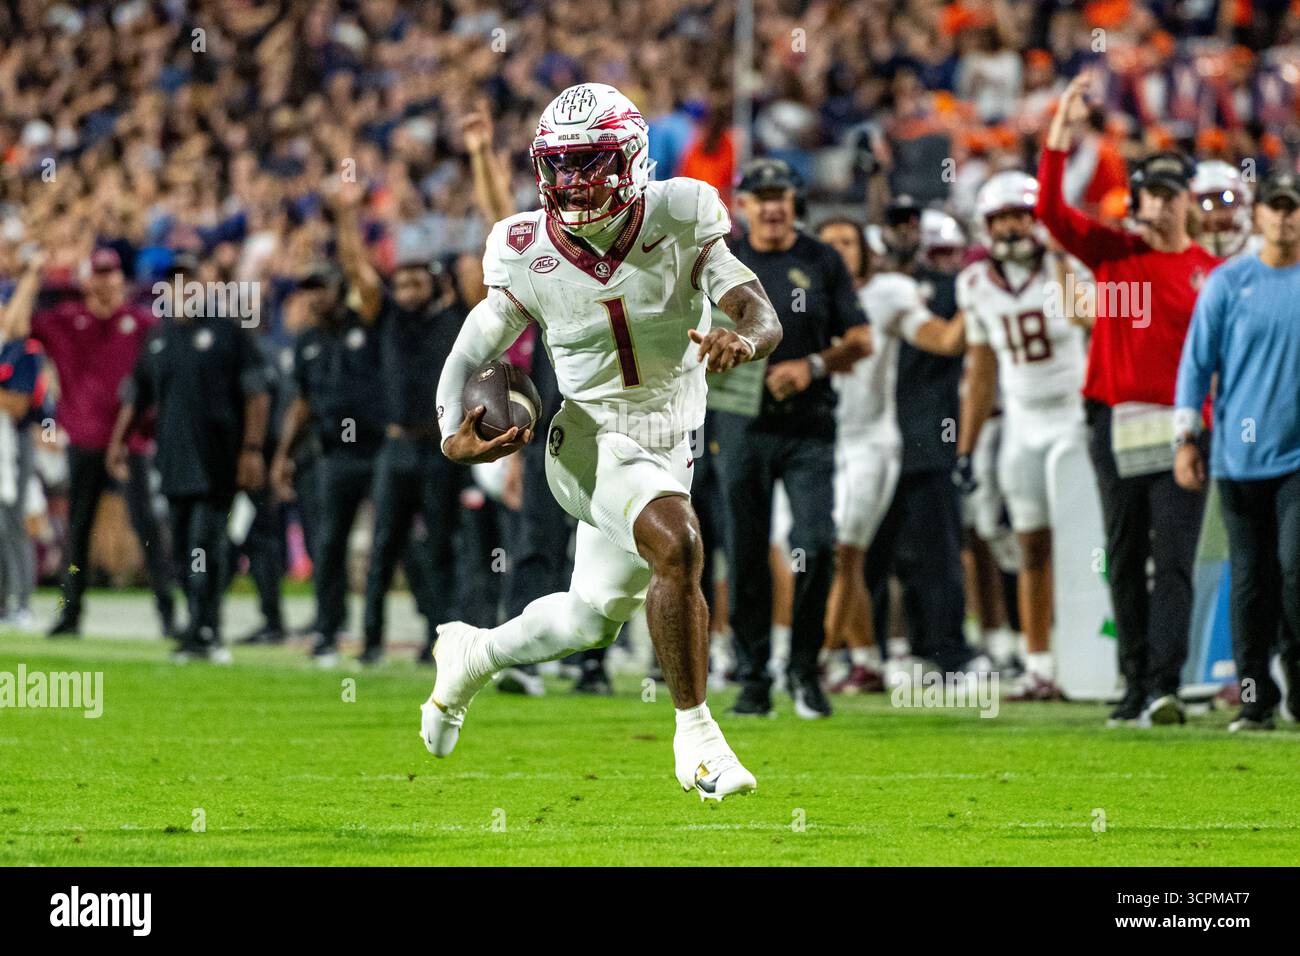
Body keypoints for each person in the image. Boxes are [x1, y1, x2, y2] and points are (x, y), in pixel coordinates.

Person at [426, 83, 781, 801]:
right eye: (559, 166)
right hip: (587, 437)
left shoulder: (681, 213)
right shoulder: (525, 248)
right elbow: (469, 354)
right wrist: (448, 435)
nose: (573, 183)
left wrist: (741, 338)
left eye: (589, 162)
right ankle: (699, 741)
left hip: (671, 440)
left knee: (590, 618)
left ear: (632, 158)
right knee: (676, 542)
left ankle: (473, 653)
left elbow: (757, 309)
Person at [1038, 72, 1221, 726]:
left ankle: (1165, 683)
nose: (1161, 206)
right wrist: (1061, 126)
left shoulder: (1212, 273)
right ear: (1137, 201)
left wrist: (1202, 430)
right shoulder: (1113, 254)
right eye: (1151, 194)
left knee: (1171, 559)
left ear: (1186, 203)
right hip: (1112, 418)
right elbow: (1052, 214)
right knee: (1123, 556)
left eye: (1171, 195)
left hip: (1180, 431)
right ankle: (1134, 682)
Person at [711, 158, 869, 720]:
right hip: (739, 425)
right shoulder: (723, 260)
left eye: (781, 195)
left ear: (795, 202)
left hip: (808, 428)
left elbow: (861, 337)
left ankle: (804, 669)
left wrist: (814, 367)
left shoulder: (820, 258)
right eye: (761, 195)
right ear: (745, 203)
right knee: (746, 555)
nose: (772, 205)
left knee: (816, 544)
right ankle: (753, 678)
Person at [816, 217, 965, 694]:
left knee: (845, 550)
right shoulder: (802, 293)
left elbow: (941, 339)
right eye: (830, 243)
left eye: (847, 240)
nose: (838, 250)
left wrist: (976, 302)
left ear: (866, 250)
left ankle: (813, 659)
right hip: (815, 439)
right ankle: (862, 658)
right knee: (814, 550)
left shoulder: (887, 292)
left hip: (870, 440)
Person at [1174, 170, 1300, 732]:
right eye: (1275, 208)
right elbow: (1196, 365)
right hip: (1238, 458)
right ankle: (1255, 699)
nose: (1285, 218)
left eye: (1292, 208)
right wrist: (1186, 439)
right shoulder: (1228, 283)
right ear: (1259, 216)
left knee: (1295, 570)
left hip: (1297, 457)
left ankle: (1295, 683)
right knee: (1251, 580)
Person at [956, 170, 1089, 701]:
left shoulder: (1070, 267)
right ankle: (1039, 665)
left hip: (1076, 416)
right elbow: (982, 372)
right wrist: (965, 448)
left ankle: (1094, 658)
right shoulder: (974, 284)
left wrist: (1060, 263)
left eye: (1020, 216)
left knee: (1086, 548)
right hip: (1021, 423)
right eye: (1001, 218)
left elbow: (1095, 325)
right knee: (1031, 545)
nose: (1011, 227)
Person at [2, 248, 177, 638]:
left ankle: (168, 614)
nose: (106, 280)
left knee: (146, 525)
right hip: (84, 440)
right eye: (99, 273)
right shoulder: (67, 320)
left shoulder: (142, 322)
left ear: (122, 278)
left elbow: (158, 381)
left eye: (112, 272)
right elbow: (14, 328)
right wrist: (32, 273)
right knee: (77, 532)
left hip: (131, 442)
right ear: (87, 279)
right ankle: (70, 612)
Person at [107, 255, 270, 662]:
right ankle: (199, 626)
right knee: (182, 549)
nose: (183, 289)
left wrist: (251, 450)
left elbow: (257, 395)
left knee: (205, 543)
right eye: (176, 283)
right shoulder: (159, 339)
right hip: (174, 463)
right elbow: (135, 394)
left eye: (190, 281)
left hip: (218, 462)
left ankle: (206, 629)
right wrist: (117, 442)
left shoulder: (229, 333)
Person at [340, 178, 471, 665]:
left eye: (416, 282)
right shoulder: (388, 318)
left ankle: (438, 643)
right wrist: (346, 218)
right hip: (394, 448)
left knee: (440, 549)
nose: (407, 290)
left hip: (441, 447)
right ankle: (371, 642)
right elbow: (358, 272)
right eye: (401, 283)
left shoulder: (454, 321)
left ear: (435, 284)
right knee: (382, 549)